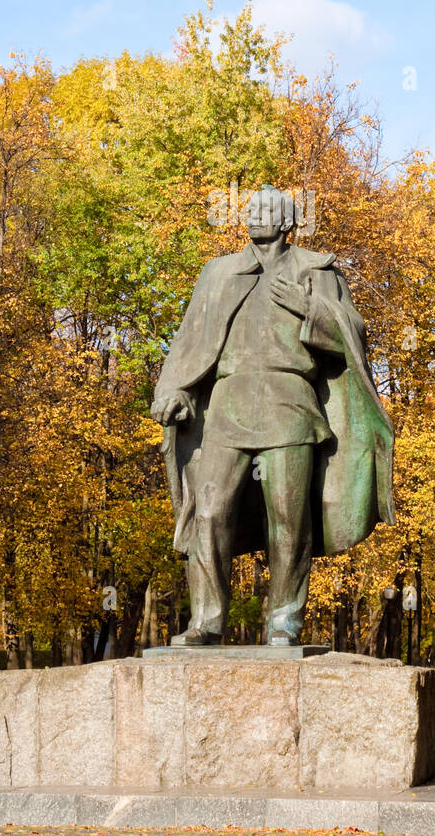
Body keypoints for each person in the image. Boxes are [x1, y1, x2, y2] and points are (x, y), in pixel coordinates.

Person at [151, 185, 394, 646]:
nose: (256, 215)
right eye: (252, 208)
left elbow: (353, 335)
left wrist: (310, 309)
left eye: (268, 209)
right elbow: (188, 339)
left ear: (288, 222)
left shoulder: (316, 270)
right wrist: (174, 390)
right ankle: (207, 620)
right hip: (227, 402)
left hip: (290, 401)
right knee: (209, 510)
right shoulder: (219, 273)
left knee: (289, 517)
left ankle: (285, 620)